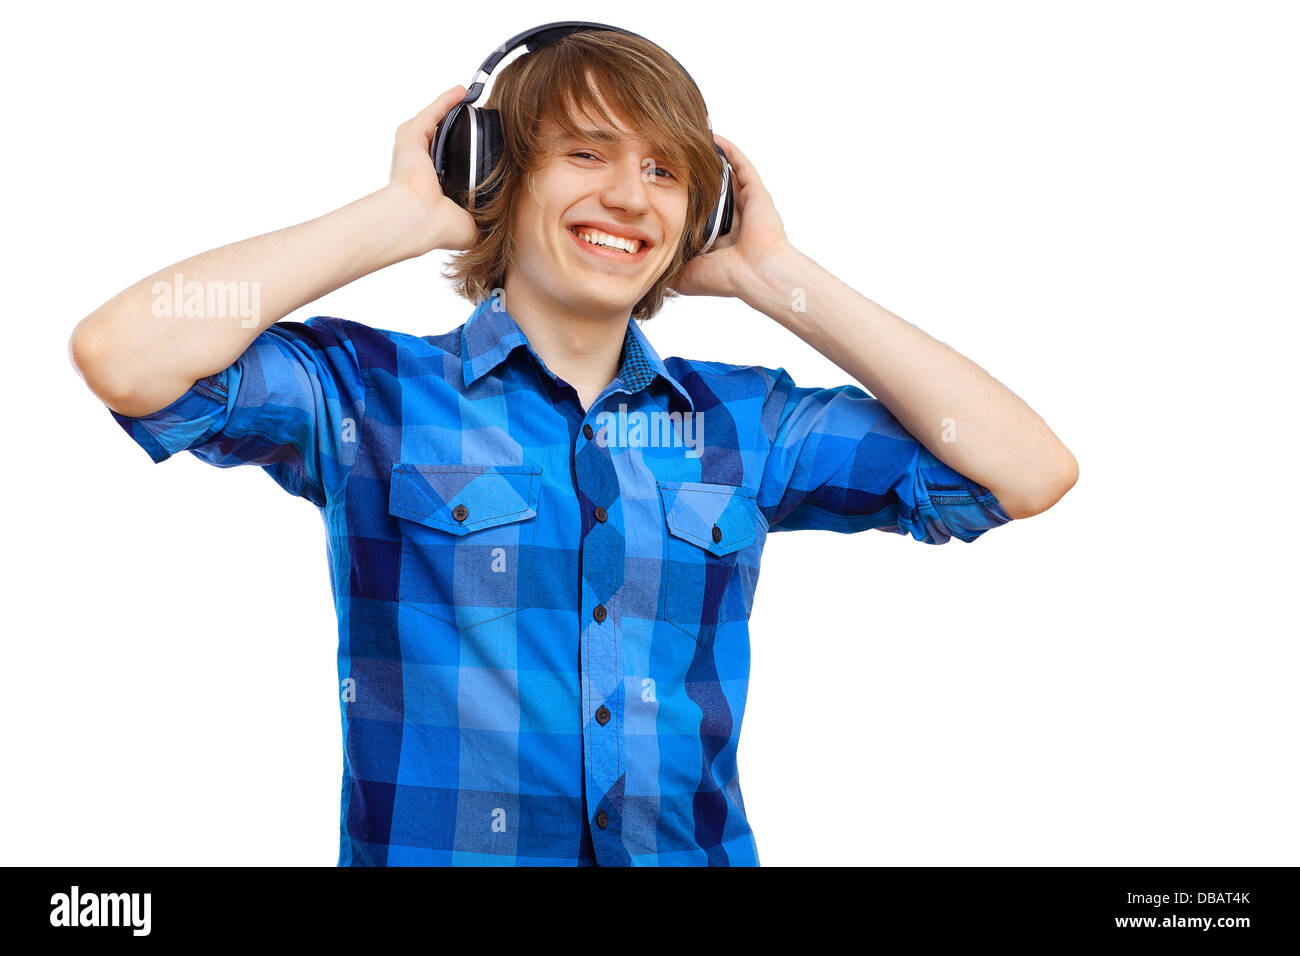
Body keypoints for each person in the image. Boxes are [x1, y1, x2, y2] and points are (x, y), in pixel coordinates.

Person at [68, 27, 1077, 866]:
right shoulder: (365, 395)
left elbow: (1025, 469)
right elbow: (125, 356)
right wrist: (400, 217)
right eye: (586, 154)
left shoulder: (744, 423)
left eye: (665, 172)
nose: (632, 198)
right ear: (494, 171)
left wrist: (777, 276)